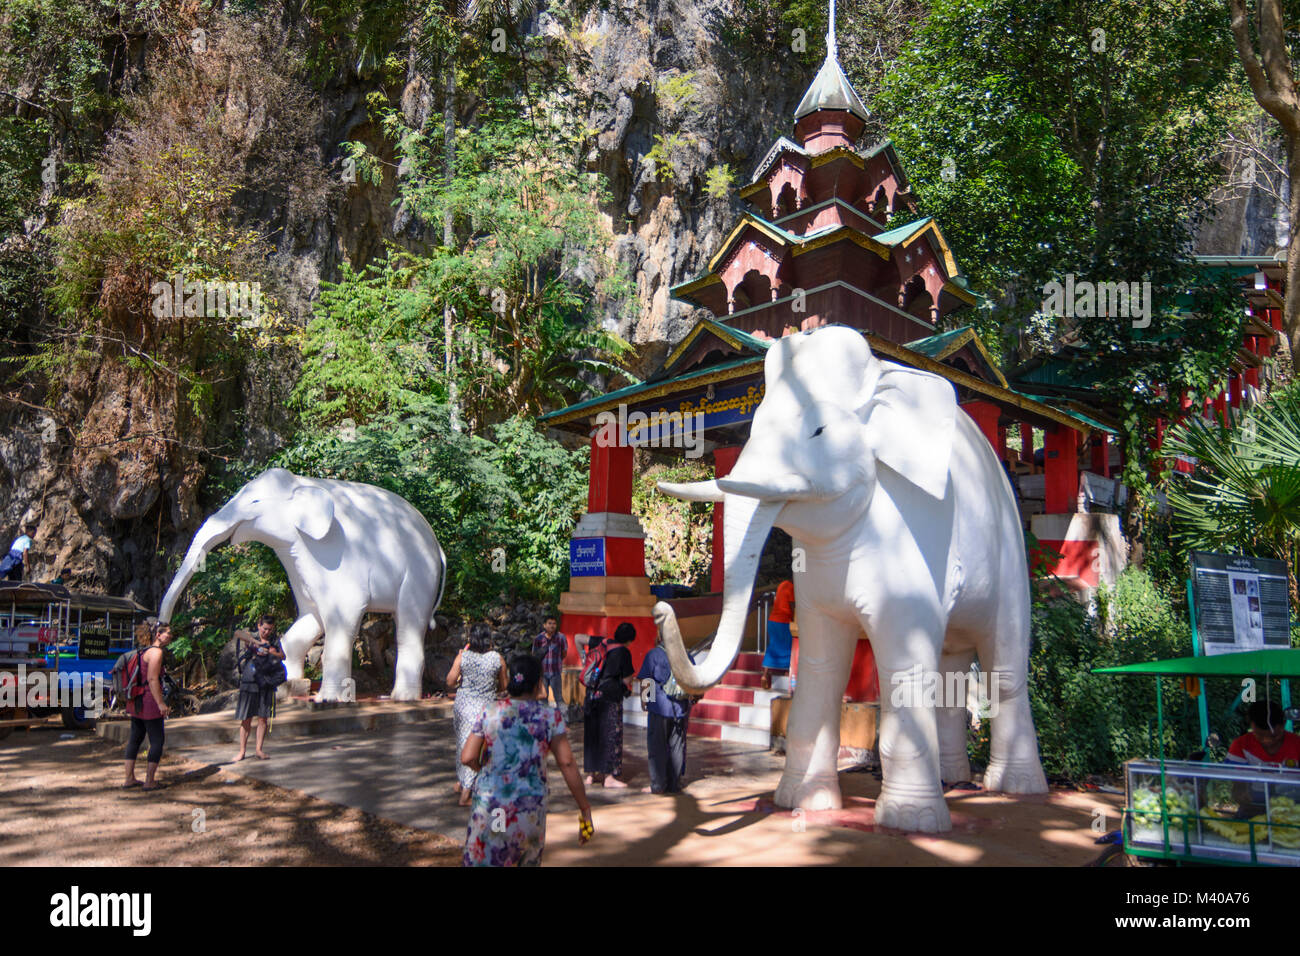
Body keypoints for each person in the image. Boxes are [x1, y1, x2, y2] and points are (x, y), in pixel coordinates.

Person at [461, 653, 593, 866]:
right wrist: (585, 808)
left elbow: (467, 756)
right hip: (530, 809)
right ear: (538, 682)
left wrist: (488, 771)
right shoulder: (549, 716)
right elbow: (567, 763)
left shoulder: (490, 711)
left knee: (495, 854)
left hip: (494, 806)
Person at [447, 624, 505, 806]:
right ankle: (466, 793)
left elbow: (450, 681)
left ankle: (462, 784)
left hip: (463, 706)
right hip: (485, 708)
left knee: (463, 743)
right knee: (478, 749)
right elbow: (504, 685)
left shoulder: (463, 656)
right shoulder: (496, 658)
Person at [582, 622, 637, 788]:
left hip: (591, 695)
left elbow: (578, 638)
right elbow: (627, 679)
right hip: (610, 698)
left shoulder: (602, 642)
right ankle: (609, 777)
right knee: (611, 736)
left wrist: (582, 657)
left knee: (592, 735)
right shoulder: (623, 652)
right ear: (629, 640)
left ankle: (590, 775)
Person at [637, 635, 694, 794]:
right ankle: (674, 784)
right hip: (680, 708)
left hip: (659, 707)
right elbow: (693, 681)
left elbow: (646, 681)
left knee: (657, 747)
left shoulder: (654, 654)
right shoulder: (686, 656)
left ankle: (658, 785)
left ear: (661, 637)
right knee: (677, 748)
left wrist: (645, 701)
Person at [123, 621, 174, 791]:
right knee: (157, 740)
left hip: (136, 700)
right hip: (149, 701)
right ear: (158, 635)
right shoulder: (156, 653)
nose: (171, 636)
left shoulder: (142, 651)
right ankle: (149, 781)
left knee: (135, 739)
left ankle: (129, 778)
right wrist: (160, 703)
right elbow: (152, 679)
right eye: (168, 633)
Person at [234, 615, 285, 761]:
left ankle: (259, 750)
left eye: (270, 629)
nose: (267, 632)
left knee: (263, 718)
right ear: (259, 626)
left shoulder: (274, 640)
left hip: (266, 681)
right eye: (264, 629)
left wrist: (270, 651)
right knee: (246, 718)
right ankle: (242, 751)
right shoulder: (252, 636)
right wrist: (257, 643)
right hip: (250, 680)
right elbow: (237, 633)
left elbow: (282, 656)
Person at [1227, 700, 1300, 768]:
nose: (1267, 741)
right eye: (1260, 735)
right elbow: (1233, 776)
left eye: (1274, 736)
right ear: (1251, 726)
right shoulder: (1240, 746)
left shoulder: (1297, 745)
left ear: (1284, 724)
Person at [761, 579, 795, 690]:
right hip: (783, 622)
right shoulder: (791, 587)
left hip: (773, 621)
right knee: (788, 647)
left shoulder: (782, 585)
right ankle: (786, 672)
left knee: (773, 646)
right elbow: (792, 605)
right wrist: (795, 618)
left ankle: (765, 674)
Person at [531, 614, 568, 709]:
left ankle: (563, 716)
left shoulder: (561, 637)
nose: (552, 626)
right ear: (544, 625)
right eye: (549, 623)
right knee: (543, 698)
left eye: (554, 623)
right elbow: (534, 655)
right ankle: (544, 716)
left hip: (555, 673)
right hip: (542, 673)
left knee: (559, 698)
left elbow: (564, 653)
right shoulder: (538, 639)